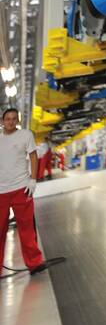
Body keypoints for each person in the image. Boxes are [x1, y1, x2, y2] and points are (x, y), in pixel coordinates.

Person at [0, 107, 49, 275]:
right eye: (7, 118)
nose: (11, 121)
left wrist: (33, 180)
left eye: (14, 118)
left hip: (22, 188)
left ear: (18, 121)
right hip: (1, 192)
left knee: (27, 228)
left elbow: (33, 157)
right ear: (2, 121)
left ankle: (34, 263)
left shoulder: (26, 135)